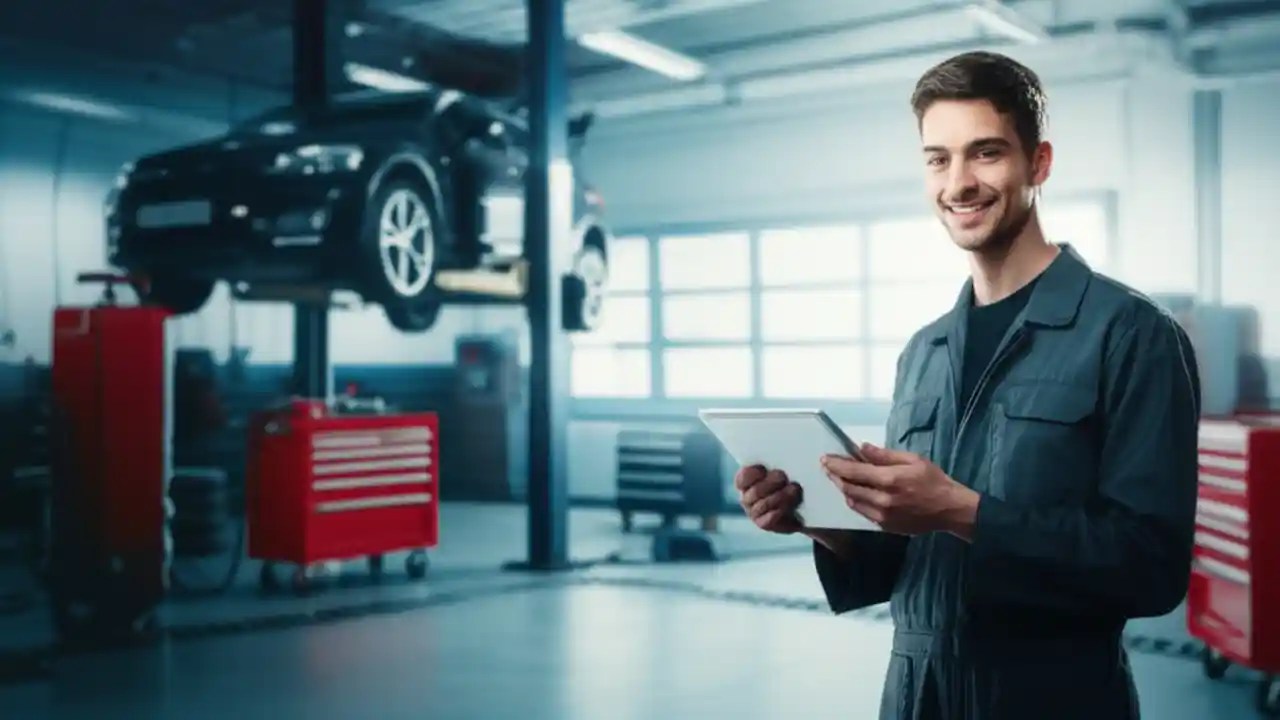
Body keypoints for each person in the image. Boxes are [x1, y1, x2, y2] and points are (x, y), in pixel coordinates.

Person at [734, 51, 1201, 720]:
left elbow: (1151, 568)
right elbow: (898, 566)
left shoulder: (1130, 335)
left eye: (985, 154)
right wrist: (823, 524)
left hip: (1055, 694)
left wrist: (962, 510)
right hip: (915, 690)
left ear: (1038, 163)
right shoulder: (924, 351)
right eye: (937, 158)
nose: (959, 183)